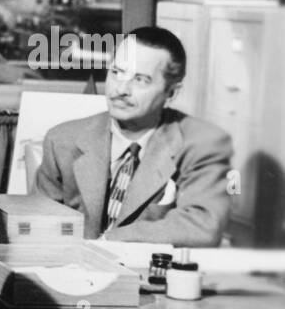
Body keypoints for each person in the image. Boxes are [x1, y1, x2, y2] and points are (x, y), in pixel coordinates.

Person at [34, 26, 232, 246]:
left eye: (140, 80)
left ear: (171, 93)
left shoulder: (202, 144)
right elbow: (38, 225)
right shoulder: (62, 141)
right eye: (116, 73)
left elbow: (201, 226)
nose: (121, 89)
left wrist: (108, 241)